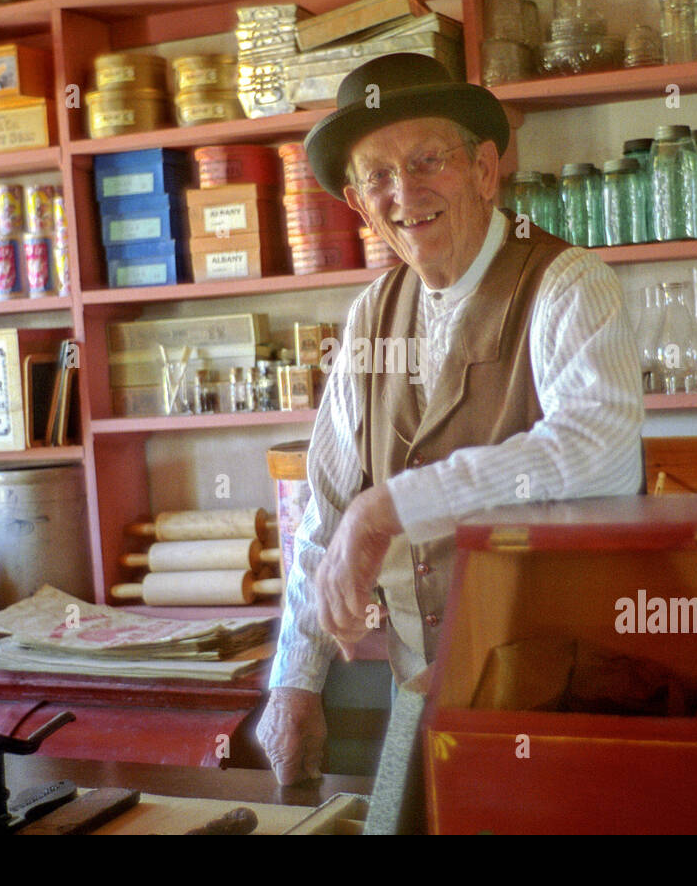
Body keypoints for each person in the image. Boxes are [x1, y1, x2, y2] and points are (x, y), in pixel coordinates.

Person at [256, 54, 644, 785]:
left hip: (571, 702)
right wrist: (295, 681)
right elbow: (327, 513)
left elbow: (601, 449)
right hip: (426, 708)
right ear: (357, 202)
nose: (405, 192)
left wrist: (392, 506)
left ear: (486, 169)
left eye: (427, 159)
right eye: (378, 176)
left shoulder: (568, 284)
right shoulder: (373, 314)